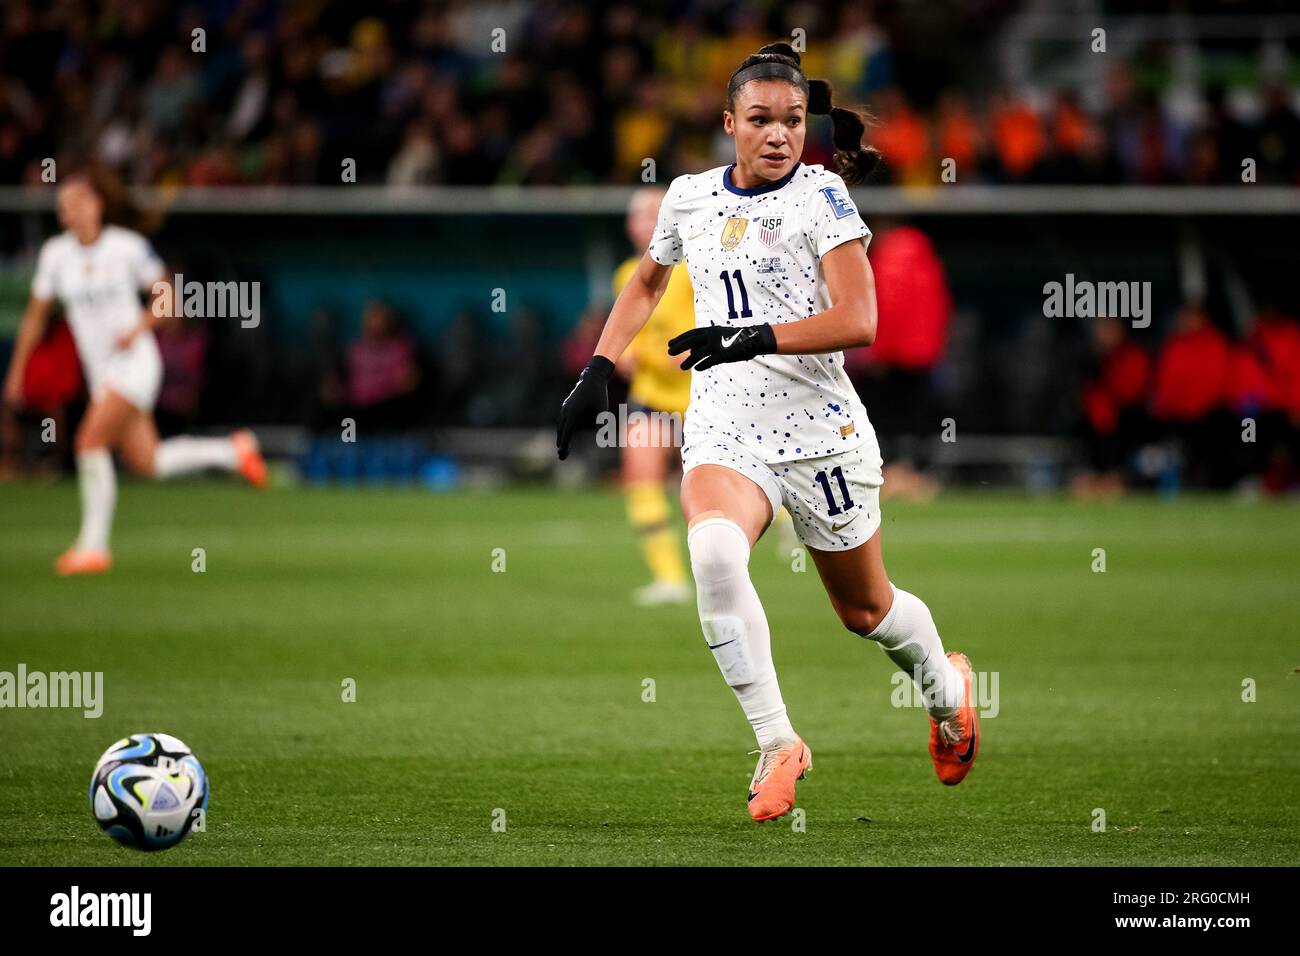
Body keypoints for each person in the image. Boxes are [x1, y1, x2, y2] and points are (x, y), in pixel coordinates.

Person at [557, 43, 979, 822]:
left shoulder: (823, 199)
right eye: (760, 120)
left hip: (821, 433)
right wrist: (599, 368)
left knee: (867, 614)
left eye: (791, 121)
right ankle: (778, 742)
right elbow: (649, 278)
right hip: (725, 427)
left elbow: (861, 319)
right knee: (714, 552)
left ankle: (950, 694)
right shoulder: (688, 198)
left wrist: (750, 336)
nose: (778, 135)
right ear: (730, 124)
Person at [2, 170, 267, 576]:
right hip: (100, 374)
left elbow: (169, 298)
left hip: (136, 364)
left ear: (96, 205)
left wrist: (139, 328)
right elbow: (37, 316)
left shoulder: (126, 248)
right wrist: (17, 370)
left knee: (89, 441)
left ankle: (93, 548)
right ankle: (234, 451)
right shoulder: (56, 255)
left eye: (74, 204)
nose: (66, 213)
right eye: (62, 207)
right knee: (149, 463)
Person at [613, 188, 695, 606]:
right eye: (643, 213)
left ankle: (791, 523)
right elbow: (627, 337)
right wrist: (629, 355)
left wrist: (673, 355)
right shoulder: (626, 272)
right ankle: (670, 579)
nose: (651, 220)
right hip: (652, 397)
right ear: (631, 225)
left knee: (711, 491)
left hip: (701, 397)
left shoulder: (694, 267)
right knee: (640, 478)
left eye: (658, 212)